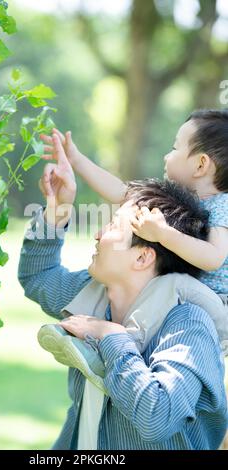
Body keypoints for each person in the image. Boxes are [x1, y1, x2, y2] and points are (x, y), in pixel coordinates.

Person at [18, 133, 227, 450]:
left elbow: (156, 417)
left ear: (143, 256)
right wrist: (58, 209)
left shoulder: (188, 327)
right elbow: (38, 277)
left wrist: (110, 336)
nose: (99, 235)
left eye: (113, 227)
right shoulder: (95, 294)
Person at [38, 110, 228, 386]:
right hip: (189, 303)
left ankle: (119, 341)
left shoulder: (221, 205)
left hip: (218, 306)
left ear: (201, 165)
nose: (167, 156)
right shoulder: (178, 199)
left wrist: (163, 234)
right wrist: (77, 161)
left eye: (175, 148)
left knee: (170, 282)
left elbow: (213, 258)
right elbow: (121, 192)